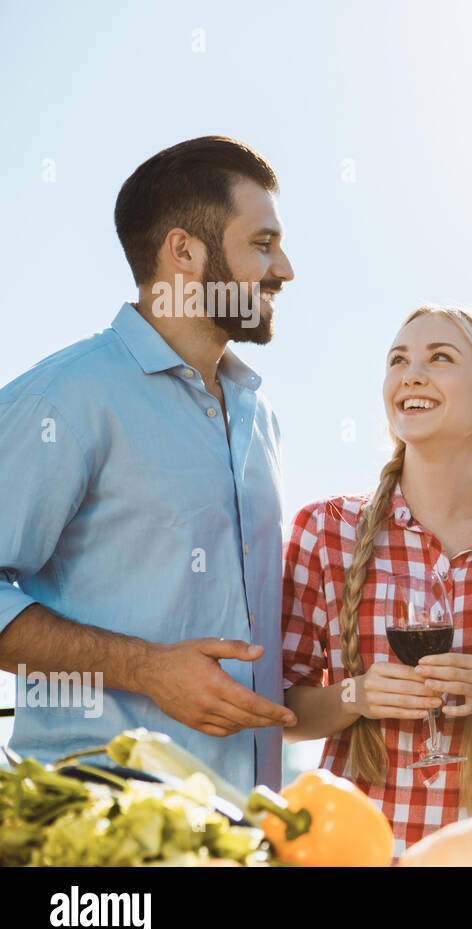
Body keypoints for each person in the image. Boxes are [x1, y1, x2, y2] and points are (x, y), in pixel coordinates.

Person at [0, 136, 297, 792]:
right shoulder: (64, 398)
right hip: (104, 818)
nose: (285, 269)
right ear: (185, 252)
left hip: (253, 827)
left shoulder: (260, 413)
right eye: (262, 243)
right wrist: (146, 668)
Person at [280, 305, 472, 857]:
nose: (411, 374)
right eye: (398, 360)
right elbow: (281, 709)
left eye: (439, 358)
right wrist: (358, 694)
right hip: (347, 845)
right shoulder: (326, 529)